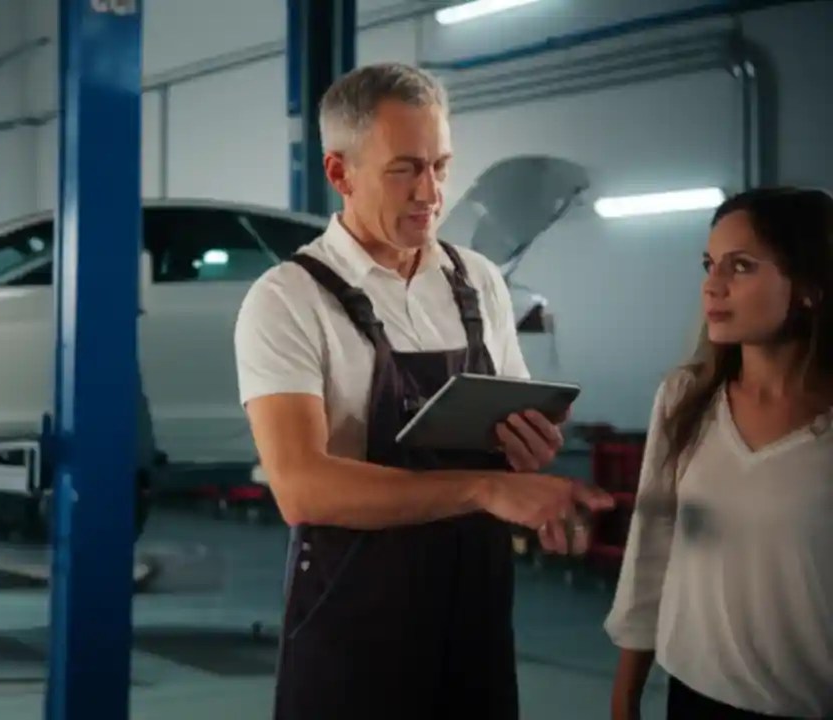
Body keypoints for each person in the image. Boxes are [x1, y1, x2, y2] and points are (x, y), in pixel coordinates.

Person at [234, 62, 614, 720]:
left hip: (474, 610)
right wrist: (485, 488)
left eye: (440, 165)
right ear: (338, 172)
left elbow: (513, 437)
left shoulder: (479, 281)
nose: (430, 193)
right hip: (354, 622)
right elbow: (301, 486)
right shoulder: (288, 300)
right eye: (404, 169)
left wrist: (525, 453)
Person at [605, 186, 833, 720]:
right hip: (694, 697)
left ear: (809, 288)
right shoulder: (684, 399)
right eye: (710, 264)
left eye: (742, 266)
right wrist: (625, 692)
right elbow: (650, 549)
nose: (712, 285)